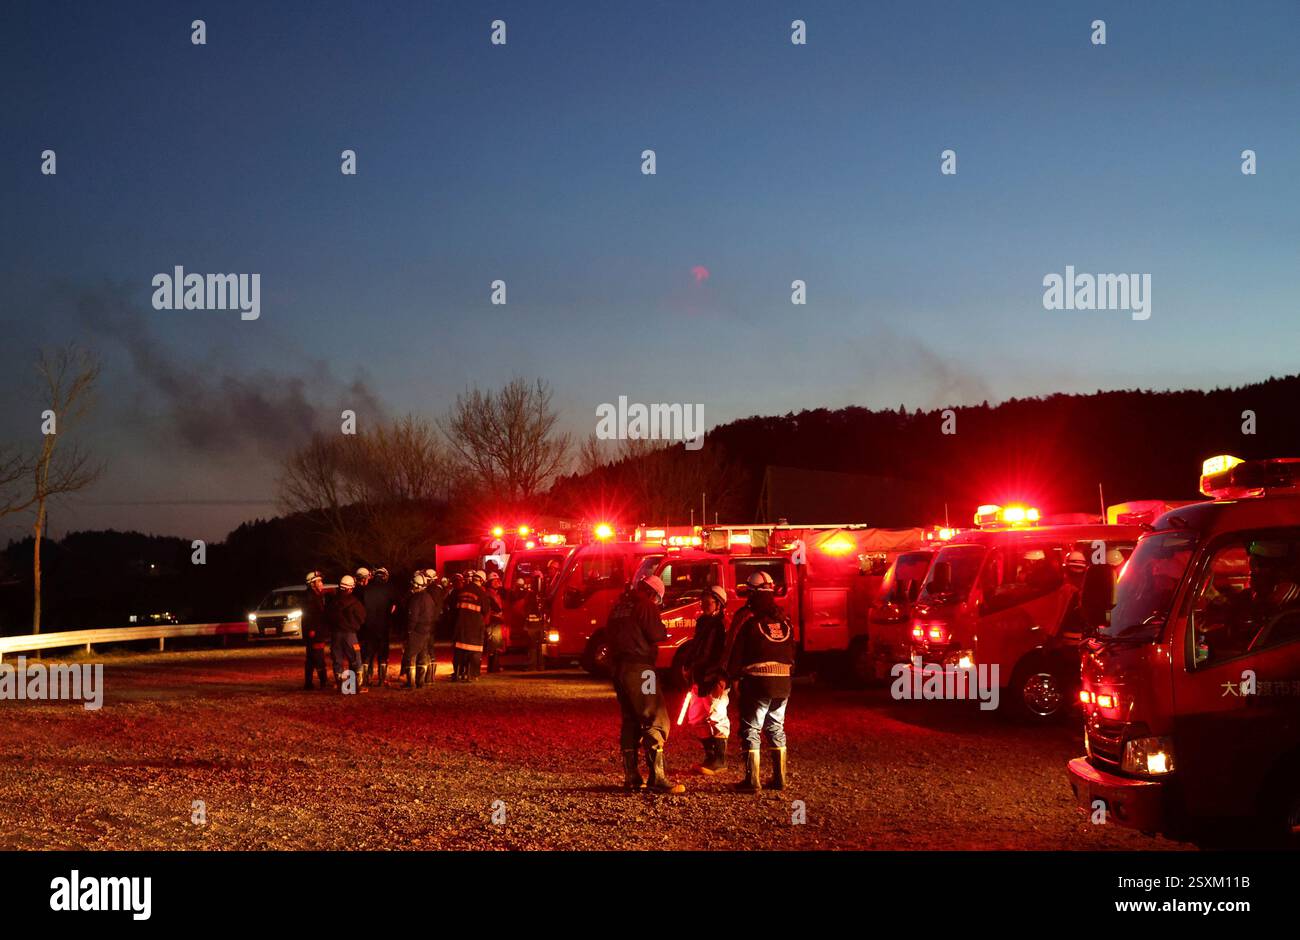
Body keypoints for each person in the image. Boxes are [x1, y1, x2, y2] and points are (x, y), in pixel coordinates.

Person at [605, 574, 683, 793]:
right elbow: (656, 633)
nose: (657, 604)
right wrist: (665, 632)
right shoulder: (645, 605)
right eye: (658, 600)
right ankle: (657, 777)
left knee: (630, 719)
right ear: (652, 593)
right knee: (655, 716)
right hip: (642, 670)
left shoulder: (619, 607)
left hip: (619, 670)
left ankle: (631, 776)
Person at [726, 570, 794, 791]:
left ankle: (752, 781)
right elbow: (792, 652)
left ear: (751, 591)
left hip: (757, 681)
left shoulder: (747, 617)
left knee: (751, 729)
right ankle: (779, 778)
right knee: (776, 727)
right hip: (783, 682)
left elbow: (734, 647)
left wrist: (732, 676)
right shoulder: (784, 619)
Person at [684, 585, 731, 774]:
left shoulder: (723, 626)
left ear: (719, 604)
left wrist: (721, 678)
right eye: (703, 599)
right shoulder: (703, 622)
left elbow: (727, 655)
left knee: (717, 717)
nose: (704, 603)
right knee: (695, 718)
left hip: (714, 679)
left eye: (708, 600)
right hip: (699, 677)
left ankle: (720, 760)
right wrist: (687, 666)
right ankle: (710, 757)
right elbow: (697, 647)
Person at [450, 570, 498, 681]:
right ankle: (473, 674)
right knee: (475, 651)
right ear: (482, 580)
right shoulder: (482, 594)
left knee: (459, 651)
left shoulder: (462, 591)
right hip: (475, 627)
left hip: (460, 626)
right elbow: (486, 610)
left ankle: (458, 672)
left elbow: (454, 608)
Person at [329, 574, 368, 694]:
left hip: (335, 635)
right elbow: (362, 617)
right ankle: (356, 687)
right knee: (356, 659)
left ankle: (342, 687)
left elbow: (327, 617)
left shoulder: (332, 601)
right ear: (350, 588)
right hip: (350, 635)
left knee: (337, 659)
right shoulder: (354, 601)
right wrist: (354, 626)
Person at [360, 567, 395, 686]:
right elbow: (396, 605)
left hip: (368, 626)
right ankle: (381, 679)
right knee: (383, 654)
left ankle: (366, 678)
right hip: (383, 627)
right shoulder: (389, 589)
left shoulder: (366, 589)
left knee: (367, 654)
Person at [403, 572, 437, 688]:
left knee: (411, 656)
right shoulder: (428, 597)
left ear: (416, 585)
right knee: (423, 656)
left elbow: (413, 616)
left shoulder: (416, 598)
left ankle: (411, 683)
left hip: (417, 631)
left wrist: (409, 630)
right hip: (427, 631)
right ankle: (420, 682)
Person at [302, 571, 330, 690]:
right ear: (312, 584)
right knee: (318, 657)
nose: (321, 583)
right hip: (315, 633)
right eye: (318, 581)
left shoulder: (316, 596)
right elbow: (310, 615)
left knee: (311, 658)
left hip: (315, 631)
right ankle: (323, 682)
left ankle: (308, 683)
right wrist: (312, 629)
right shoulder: (310, 598)